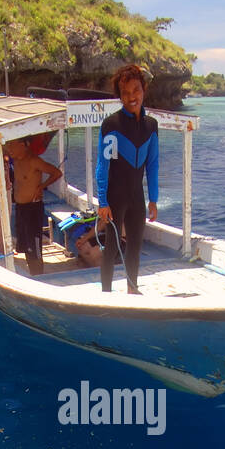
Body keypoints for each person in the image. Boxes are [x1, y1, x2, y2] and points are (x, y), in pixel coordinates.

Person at [96, 64, 159, 294]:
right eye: (125, 93)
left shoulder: (151, 126)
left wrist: (153, 199)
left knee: (135, 245)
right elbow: (102, 165)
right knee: (112, 246)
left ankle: (132, 289)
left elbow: (152, 165)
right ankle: (106, 292)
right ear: (120, 96)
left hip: (136, 197)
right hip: (115, 197)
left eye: (136, 90)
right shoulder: (111, 125)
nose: (132, 97)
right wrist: (102, 201)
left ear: (143, 89)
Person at [7, 138, 62, 275]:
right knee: (25, 245)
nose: (9, 148)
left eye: (11, 145)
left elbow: (57, 173)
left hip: (33, 208)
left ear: (21, 145)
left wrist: (42, 186)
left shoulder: (34, 161)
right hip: (20, 208)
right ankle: (32, 272)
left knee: (34, 246)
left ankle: (39, 275)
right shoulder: (15, 160)